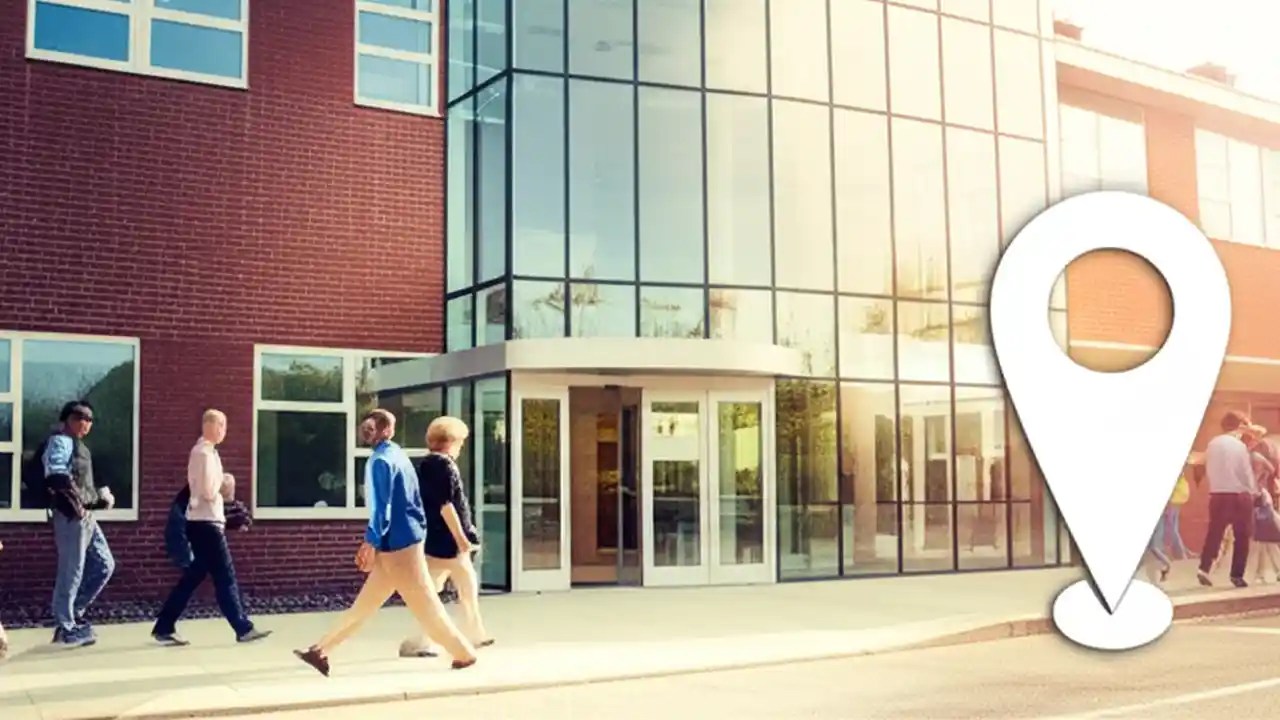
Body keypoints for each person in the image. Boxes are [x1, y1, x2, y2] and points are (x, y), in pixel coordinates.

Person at [294, 410, 477, 676]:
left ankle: (464, 653)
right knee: (365, 605)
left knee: (426, 605)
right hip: (404, 540)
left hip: (399, 544)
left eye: (367, 428)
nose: (366, 432)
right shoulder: (398, 455)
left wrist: (370, 542)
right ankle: (320, 651)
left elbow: (382, 509)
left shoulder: (379, 462)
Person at [152, 409, 270, 646]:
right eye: (221, 425)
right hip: (207, 524)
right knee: (225, 577)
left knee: (193, 578)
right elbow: (207, 491)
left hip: (202, 523)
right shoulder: (205, 454)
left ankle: (164, 625)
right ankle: (242, 627)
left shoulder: (205, 452)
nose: (224, 431)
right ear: (209, 425)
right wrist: (224, 486)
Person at [399, 416, 493, 659]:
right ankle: (468, 634)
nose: (461, 446)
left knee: (437, 591)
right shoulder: (444, 466)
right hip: (447, 542)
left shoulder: (425, 465)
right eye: (460, 441)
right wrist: (461, 538)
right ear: (451, 441)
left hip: (434, 539)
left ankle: (424, 639)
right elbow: (446, 505)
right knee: (462, 587)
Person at [45, 400, 116, 647]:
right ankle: (66, 628)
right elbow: (56, 477)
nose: (85, 423)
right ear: (68, 419)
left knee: (105, 564)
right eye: (80, 418)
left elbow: (79, 483)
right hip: (70, 517)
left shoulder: (79, 447)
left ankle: (73, 612)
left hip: (85, 515)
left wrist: (98, 500)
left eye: (89, 419)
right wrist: (77, 509)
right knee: (71, 571)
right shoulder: (61, 442)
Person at [1197, 411, 1260, 588]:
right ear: (1239, 426)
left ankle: (1204, 568)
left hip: (1217, 494)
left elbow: (1207, 466)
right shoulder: (1239, 446)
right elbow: (1245, 472)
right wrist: (1254, 491)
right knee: (1242, 536)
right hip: (1239, 495)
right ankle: (1236, 575)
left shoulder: (1212, 444)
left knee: (1214, 532)